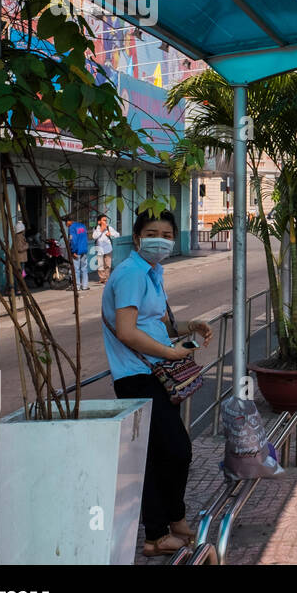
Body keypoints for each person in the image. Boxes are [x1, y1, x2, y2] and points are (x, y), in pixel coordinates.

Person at [101, 207, 214, 557]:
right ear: (136, 238)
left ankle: (160, 532)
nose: (160, 241)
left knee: (163, 454)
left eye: (167, 235)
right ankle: (162, 529)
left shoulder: (152, 272)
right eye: (152, 234)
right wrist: (171, 354)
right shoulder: (131, 274)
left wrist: (188, 327)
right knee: (174, 451)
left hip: (152, 374)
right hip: (138, 377)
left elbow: (157, 324)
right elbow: (127, 332)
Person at [66, 214, 90, 290]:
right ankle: (85, 286)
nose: (66, 225)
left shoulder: (72, 228)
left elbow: (73, 241)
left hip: (77, 250)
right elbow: (86, 237)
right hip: (84, 249)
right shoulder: (82, 226)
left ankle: (77, 286)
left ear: (69, 221)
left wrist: (73, 251)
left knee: (76, 270)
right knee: (84, 268)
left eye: (66, 223)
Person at [92, 214, 115, 284]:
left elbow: (117, 234)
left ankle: (107, 278)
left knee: (108, 264)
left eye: (106, 220)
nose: (105, 222)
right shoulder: (96, 228)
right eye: (104, 220)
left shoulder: (108, 228)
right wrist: (101, 230)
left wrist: (111, 234)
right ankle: (102, 278)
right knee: (100, 265)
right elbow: (94, 237)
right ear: (99, 222)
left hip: (108, 248)